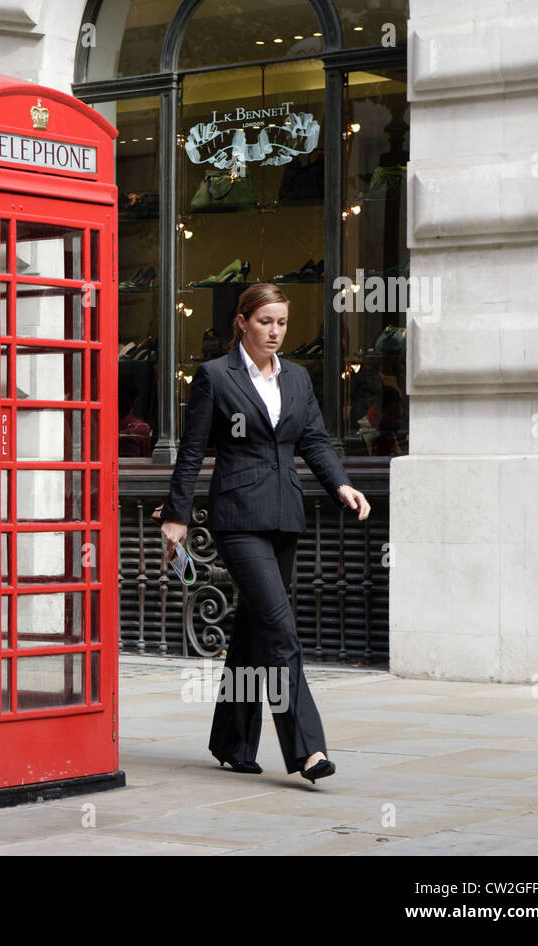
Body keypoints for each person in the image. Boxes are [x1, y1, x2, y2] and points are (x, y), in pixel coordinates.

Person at [154, 284, 371, 784]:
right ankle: (308, 750)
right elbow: (191, 451)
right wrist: (176, 515)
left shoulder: (297, 378)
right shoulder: (215, 376)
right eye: (265, 322)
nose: (275, 332)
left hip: (284, 517)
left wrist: (341, 485)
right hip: (238, 519)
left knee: (255, 633)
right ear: (243, 322)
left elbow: (313, 439)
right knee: (280, 630)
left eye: (282, 324)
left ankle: (231, 741)